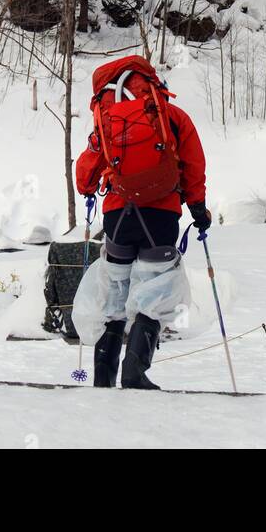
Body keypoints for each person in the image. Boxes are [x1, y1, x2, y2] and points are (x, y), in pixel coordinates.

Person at [74, 55, 211, 389]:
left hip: (118, 217)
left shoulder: (106, 124)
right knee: (155, 294)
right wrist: (198, 209)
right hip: (161, 216)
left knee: (114, 299)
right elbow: (193, 168)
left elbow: (84, 180)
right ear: (152, 84)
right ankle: (135, 374)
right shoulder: (172, 117)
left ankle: (103, 378)